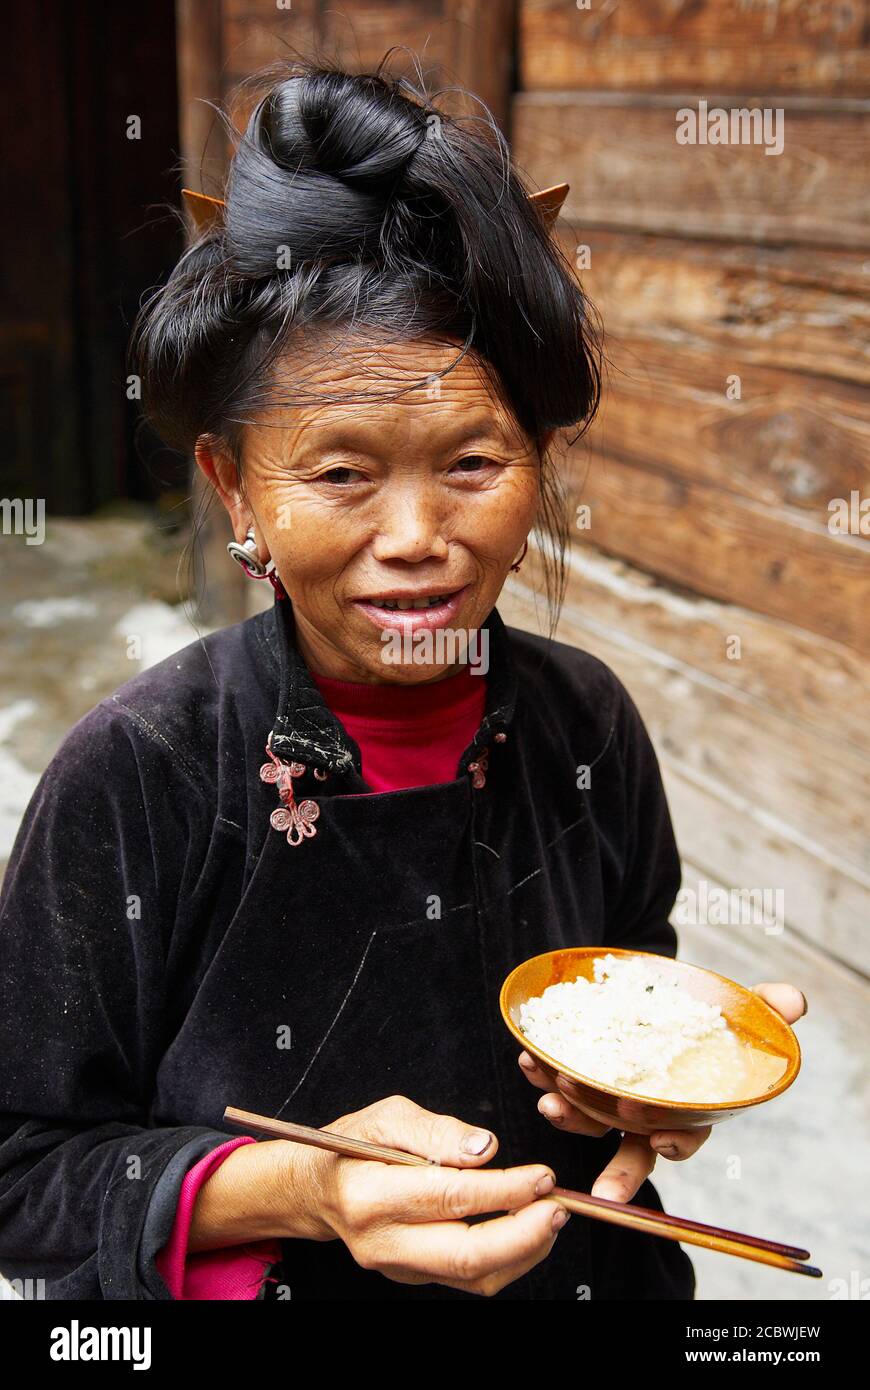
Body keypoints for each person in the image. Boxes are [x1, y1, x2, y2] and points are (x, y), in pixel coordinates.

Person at [0, 56, 807, 1300]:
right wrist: (304, 1192)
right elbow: (25, 1171)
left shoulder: (587, 725)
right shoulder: (138, 774)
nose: (418, 535)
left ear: (539, 460)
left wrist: (651, 1078)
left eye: (474, 461)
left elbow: (620, 977)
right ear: (235, 488)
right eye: (340, 473)